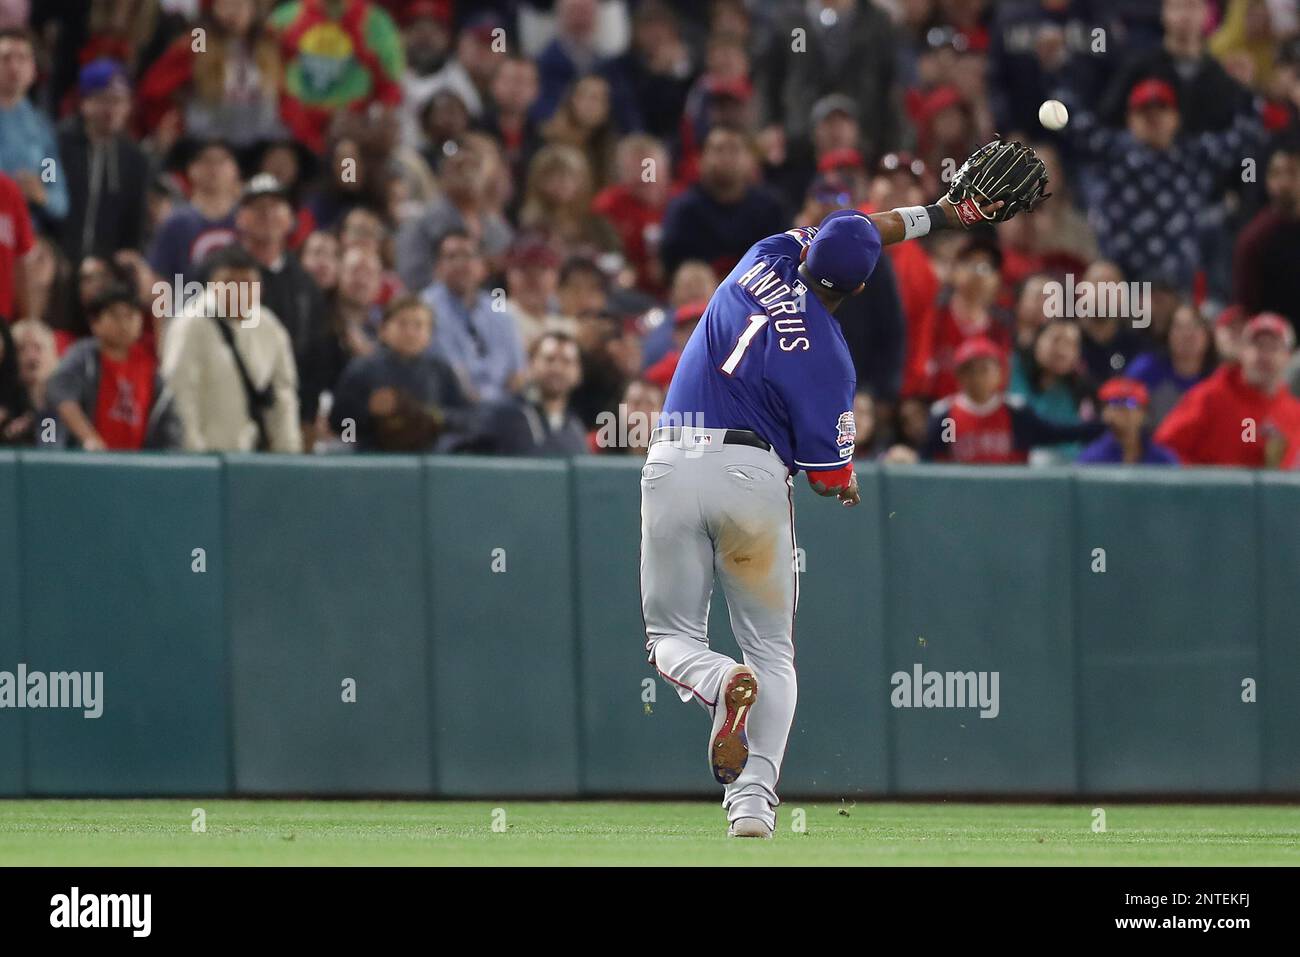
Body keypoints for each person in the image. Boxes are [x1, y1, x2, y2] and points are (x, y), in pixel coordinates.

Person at [641, 142, 1046, 839]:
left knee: (669, 636)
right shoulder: (830, 357)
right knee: (771, 655)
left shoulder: (764, 256)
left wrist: (943, 212)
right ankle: (752, 805)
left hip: (674, 461)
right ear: (857, 289)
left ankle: (712, 682)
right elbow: (828, 480)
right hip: (754, 480)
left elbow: (860, 227)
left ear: (808, 248)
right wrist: (849, 478)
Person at [161, 245, 301, 453]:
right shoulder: (190, 325)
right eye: (229, 283)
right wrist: (193, 456)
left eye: (247, 284)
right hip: (207, 458)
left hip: (254, 458)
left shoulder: (270, 328)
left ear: (260, 288)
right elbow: (180, 393)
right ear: (212, 286)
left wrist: (288, 454)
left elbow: (283, 396)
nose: (238, 291)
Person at [918, 337, 1103, 465]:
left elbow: (1054, 433)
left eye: (984, 369)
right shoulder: (946, 416)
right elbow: (936, 458)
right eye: (969, 370)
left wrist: (1102, 427)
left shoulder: (1015, 412)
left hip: (1010, 497)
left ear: (1000, 374)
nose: (977, 377)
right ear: (958, 376)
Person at [45, 283, 179, 451]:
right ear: (95, 323)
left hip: (137, 464)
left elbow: (166, 415)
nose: (123, 324)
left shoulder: (150, 366)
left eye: (130, 316)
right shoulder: (83, 357)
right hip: (89, 461)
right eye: (115, 316)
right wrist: (89, 438)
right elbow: (59, 392)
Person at [1156, 312, 1300, 467]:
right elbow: (1164, 448)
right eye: (1258, 345)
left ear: (1288, 356)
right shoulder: (1209, 397)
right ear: (1243, 351)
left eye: (1273, 347)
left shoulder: (1294, 412)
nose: (1264, 355)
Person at [329, 295, 471, 452]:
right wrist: (368, 411)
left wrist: (434, 416)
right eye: (402, 324)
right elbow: (340, 425)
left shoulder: (440, 371)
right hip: (373, 455)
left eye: (419, 325)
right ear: (383, 330)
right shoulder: (362, 369)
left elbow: (466, 419)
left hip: (429, 457)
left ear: (430, 335)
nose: (410, 333)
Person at [658, 126, 787, 280]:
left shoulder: (771, 207)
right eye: (718, 150)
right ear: (701, 159)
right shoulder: (683, 210)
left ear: (750, 159)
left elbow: (784, 263)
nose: (726, 157)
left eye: (734, 150)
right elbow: (670, 269)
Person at [57, 59, 149, 264]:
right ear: (84, 103)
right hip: (60, 259)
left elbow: (135, 220)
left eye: (119, 101)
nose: (111, 110)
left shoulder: (135, 159)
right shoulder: (57, 146)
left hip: (106, 269)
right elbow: (47, 199)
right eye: (103, 100)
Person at [419, 230, 524, 403]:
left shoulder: (498, 306)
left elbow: (517, 372)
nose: (461, 264)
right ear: (438, 267)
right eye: (452, 257)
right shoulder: (424, 307)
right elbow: (446, 370)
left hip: (503, 407)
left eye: (469, 256)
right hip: (450, 404)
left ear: (483, 267)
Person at [475, 330, 588, 456]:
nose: (557, 368)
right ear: (530, 365)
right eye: (549, 359)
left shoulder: (575, 427)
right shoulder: (505, 416)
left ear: (579, 372)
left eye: (567, 361)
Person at [0, 27, 68, 228]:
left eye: (22, 58)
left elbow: (57, 194)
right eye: (5, 58)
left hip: (22, 236)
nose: (14, 67)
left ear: (33, 70)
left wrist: (41, 194)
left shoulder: (41, 130)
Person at [1076, 378, 1179, 465]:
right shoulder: (1091, 459)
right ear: (1104, 412)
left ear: (1144, 413)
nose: (1125, 410)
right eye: (1115, 402)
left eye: (1132, 403)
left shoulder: (1163, 459)